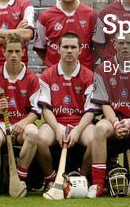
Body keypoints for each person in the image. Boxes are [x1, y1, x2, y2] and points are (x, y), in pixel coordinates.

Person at [88, 33, 130, 195]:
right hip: (112, 118)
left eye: (129, 43)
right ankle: (98, 184)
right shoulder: (102, 69)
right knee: (100, 128)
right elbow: (104, 103)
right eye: (121, 43)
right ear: (114, 44)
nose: (125, 47)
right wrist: (116, 123)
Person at [36, 33, 96, 188]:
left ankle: (80, 179)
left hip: (80, 123)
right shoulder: (47, 75)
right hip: (56, 122)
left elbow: (90, 111)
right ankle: (51, 179)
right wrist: (56, 128)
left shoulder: (89, 76)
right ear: (58, 49)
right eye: (66, 47)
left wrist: (77, 130)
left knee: (95, 140)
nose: (69, 51)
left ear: (80, 50)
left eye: (73, 47)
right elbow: (45, 109)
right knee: (40, 139)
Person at [0, 34, 43, 188]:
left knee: (33, 133)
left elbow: (36, 110)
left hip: (21, 124)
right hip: (0, 123)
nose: (13, 55)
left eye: (17, 51)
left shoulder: (32, 78)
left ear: (23, 52)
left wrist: (23, 122)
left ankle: (20, 176)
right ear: (3, 52)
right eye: (10, 51)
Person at [35, 0, 97, 68]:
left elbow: (98, 48)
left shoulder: (91, 15)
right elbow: (40, 48)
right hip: (55, 78)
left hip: (84, 76)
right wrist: (53, 66)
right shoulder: (45, 16)